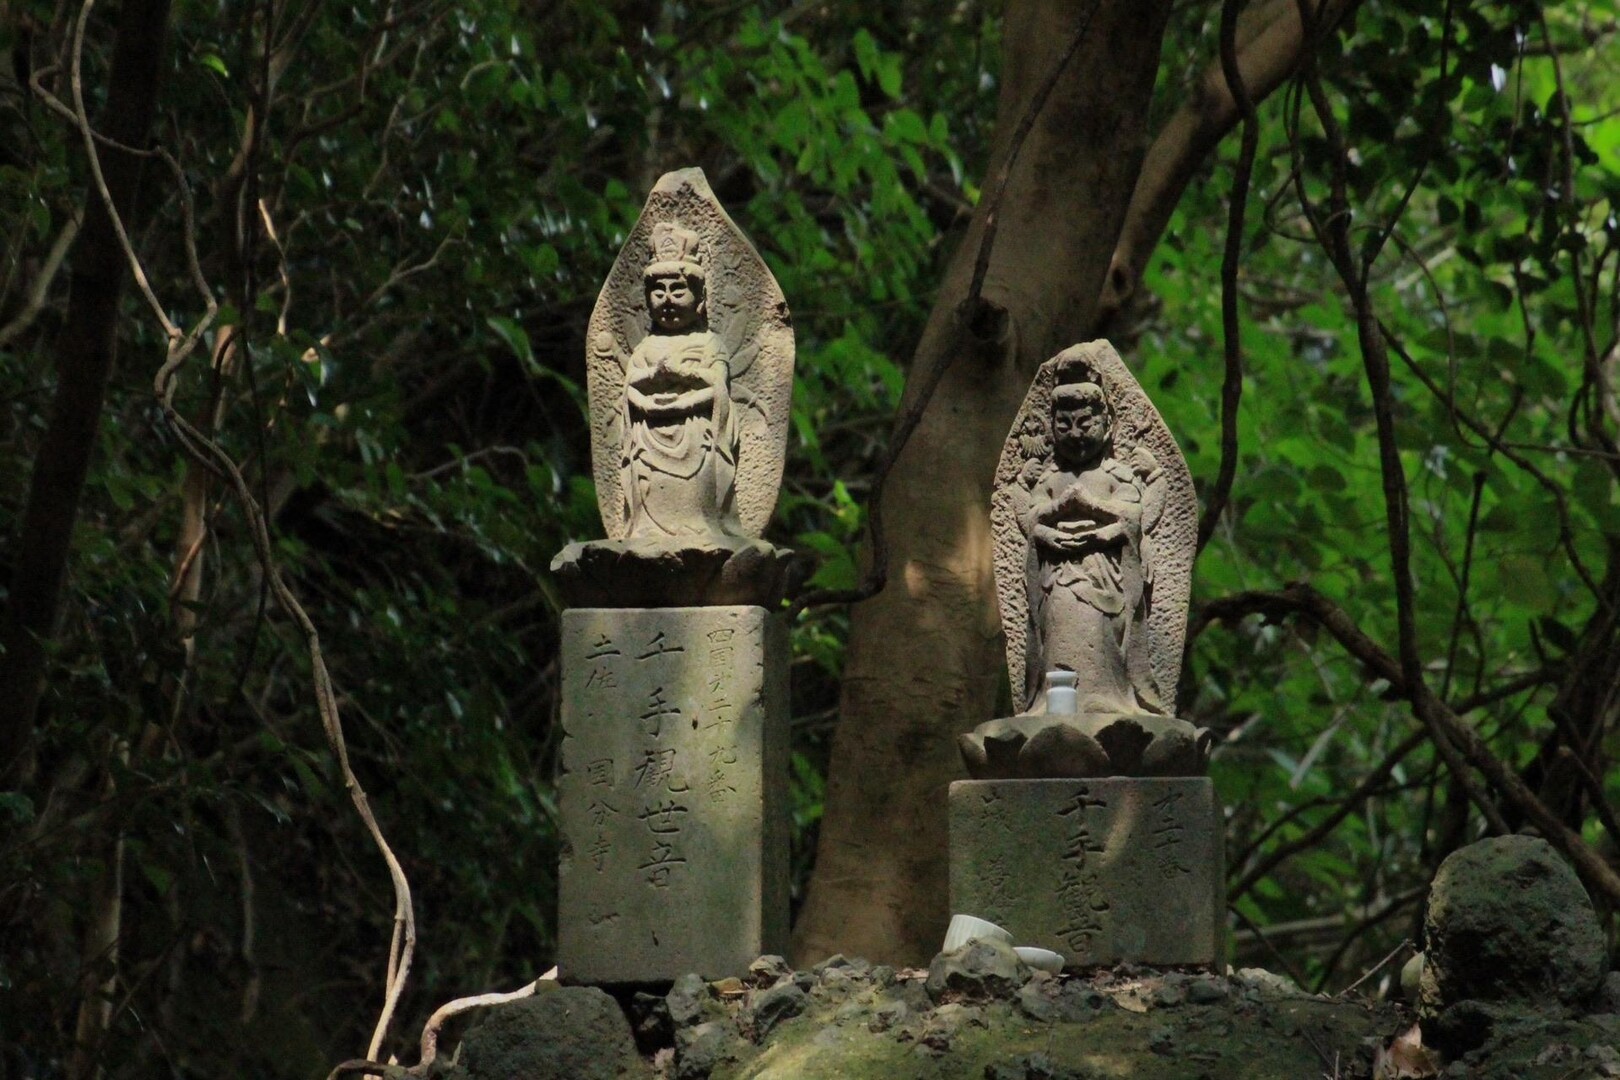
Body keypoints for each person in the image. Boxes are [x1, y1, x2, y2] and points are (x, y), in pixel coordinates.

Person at [1021, 367, 1164, 716]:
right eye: (1064, 425)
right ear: (1051, 428)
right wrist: (1054, 521)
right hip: (1059, 577)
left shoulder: (1117, 474)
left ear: (1108, 425)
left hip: (1105, 577)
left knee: (1102, 632)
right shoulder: (1050, 478)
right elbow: (1031, 520)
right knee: (1058, 628)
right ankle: (1051, 702)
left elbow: (1132, 517)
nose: (1075, 434)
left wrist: (1093, 513)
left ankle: (1108, 696)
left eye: (1085, 424)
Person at [618, 222, 742, 538]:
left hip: (695, 433)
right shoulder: (646, 348)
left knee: (699, 474)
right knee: (647, 478)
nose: (668, 300)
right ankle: (646, 529)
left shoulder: (709, 344)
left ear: (700, 299)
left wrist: (683, 380)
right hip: (649, 435)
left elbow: (717, 387)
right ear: (647, 300)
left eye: (678, 290)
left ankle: (701, 524)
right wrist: (651, 394)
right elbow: (630, 388)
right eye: (658, 292)